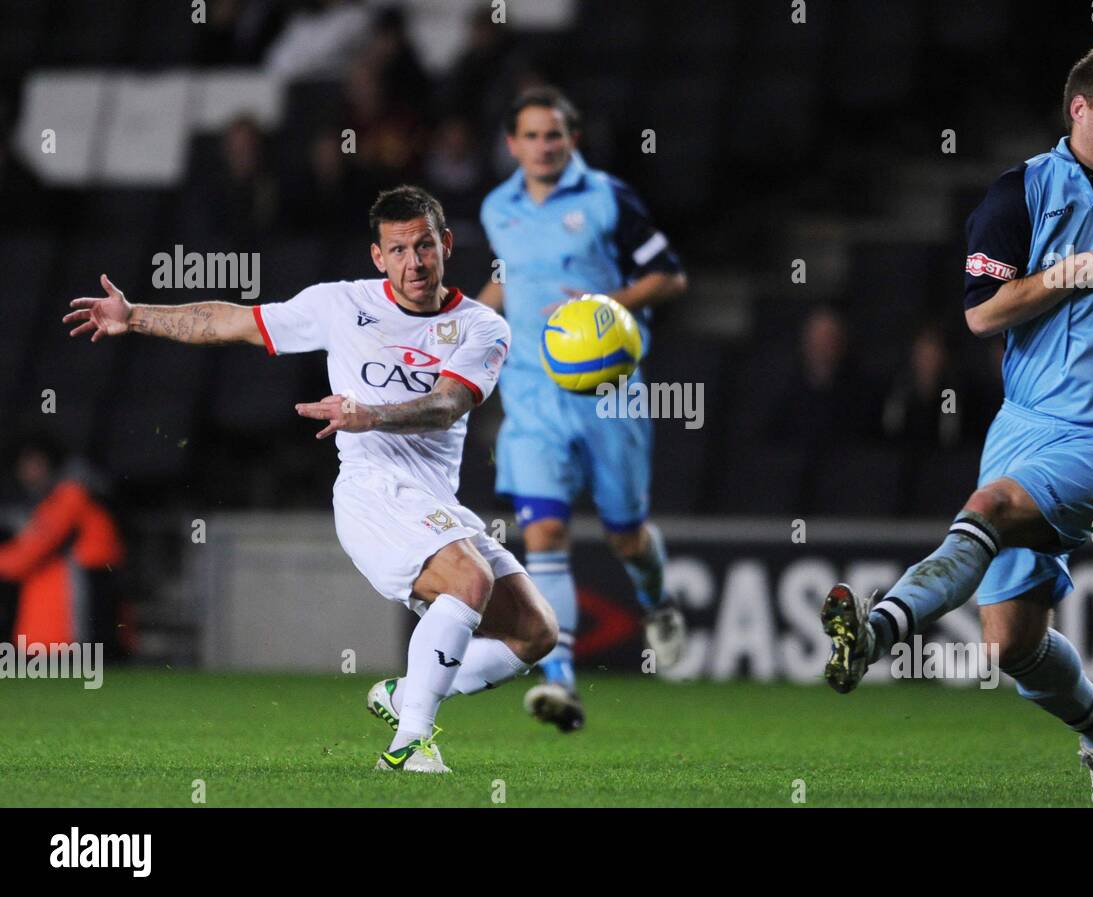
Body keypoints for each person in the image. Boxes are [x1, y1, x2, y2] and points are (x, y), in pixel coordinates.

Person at [65, 185, 557, 774]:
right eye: (398, 250)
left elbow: (447, 406)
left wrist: (368, 412)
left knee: (535, 632)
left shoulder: (482, 327)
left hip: (432, 502)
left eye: (425, 246)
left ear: (445, 244)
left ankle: (406, 696)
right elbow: (235, 322)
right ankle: (410, 743)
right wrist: (136, 315)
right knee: (469, 579)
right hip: (372, 492)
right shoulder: (340, 304)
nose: (415, 262)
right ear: (379, 257)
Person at [820, 45, 1093, 790]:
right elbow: (980, 316)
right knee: (1012, 644)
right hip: (1022, 427)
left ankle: (876, 632)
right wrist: (1069, 272)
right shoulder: (1019, 191)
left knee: (987, 507)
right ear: (1079, 109)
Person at [477, 87, 689, 732]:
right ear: (513, 145)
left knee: (626, 534)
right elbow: (510, 278)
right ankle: (561, 683)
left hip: (609, 392)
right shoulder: (497, 208)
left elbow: (671, 276)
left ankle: (657, 601)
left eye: (556, 134)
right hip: (533, 395)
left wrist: (608, 302)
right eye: (533, 136)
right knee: (543, 532)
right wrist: (464, 322)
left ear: (572, 140)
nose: (545, 145)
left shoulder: (606, 198)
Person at [0, 436, 126, 654]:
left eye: (34, 463)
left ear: (52, 464)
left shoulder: (70, 495)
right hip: (83, 601)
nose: (27, 472)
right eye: (23, 465)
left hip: (83, 604)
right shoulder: (57, 497)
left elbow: (28, 553)